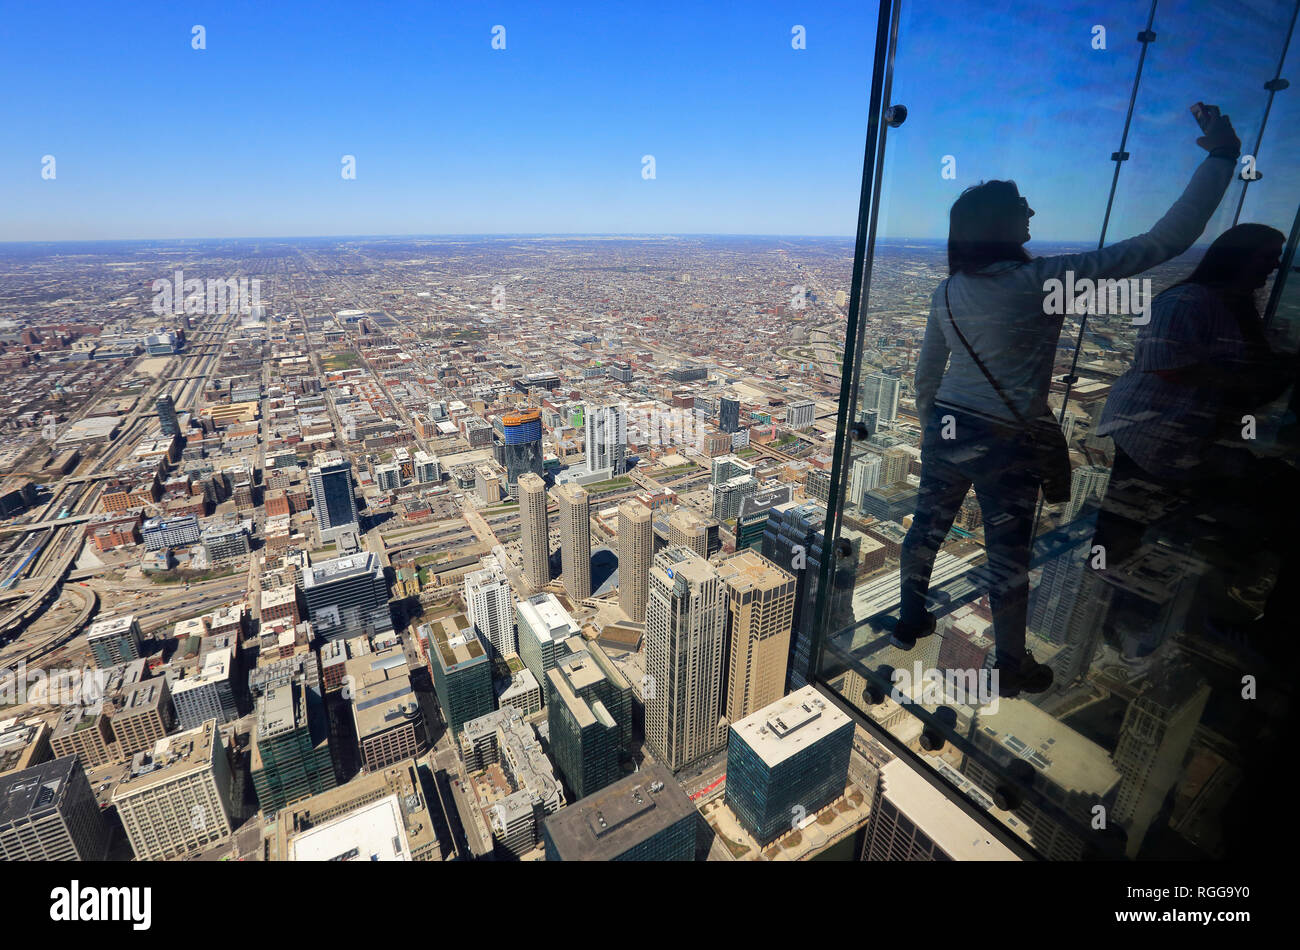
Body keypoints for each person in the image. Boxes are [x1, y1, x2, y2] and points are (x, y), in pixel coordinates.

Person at [894, 105, 1241, 696]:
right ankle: (1008, 664)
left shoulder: (948, 289)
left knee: (926, 528)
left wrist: (937, 430)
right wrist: (1221, 158)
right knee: (1007, 551)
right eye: (1021, 206)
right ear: (1001, 224)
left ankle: (909, 618)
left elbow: (928, 376)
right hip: (1009, 435)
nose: (1032, 211)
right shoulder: (1045, 281)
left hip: (952, 424)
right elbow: (1163, 242)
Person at [1094, 223, 1298, 660]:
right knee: (1128, 525)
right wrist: (1251, 378)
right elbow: (1167, 365)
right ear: (1238, 257)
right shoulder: (1187, 300)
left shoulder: (1237, 305)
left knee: (1139, 523)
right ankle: (1117, 622)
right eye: (1267, 257)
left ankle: (1130, 618)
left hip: (1183, 438)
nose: (1275, 266)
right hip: (1148, 433)